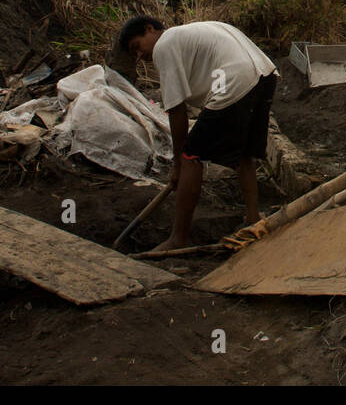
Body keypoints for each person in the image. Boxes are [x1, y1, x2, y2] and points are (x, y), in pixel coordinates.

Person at [119, 16, 278, 251]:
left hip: (234, 81)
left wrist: (178, 164)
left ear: (150, 29)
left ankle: (178, 238)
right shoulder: (194, 32)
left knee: (190, 157)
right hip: (265, 75)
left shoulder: (164, 45)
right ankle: (253, 216)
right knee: (244, 153)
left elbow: (176, 111)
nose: (140, 56)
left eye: (137, 47)